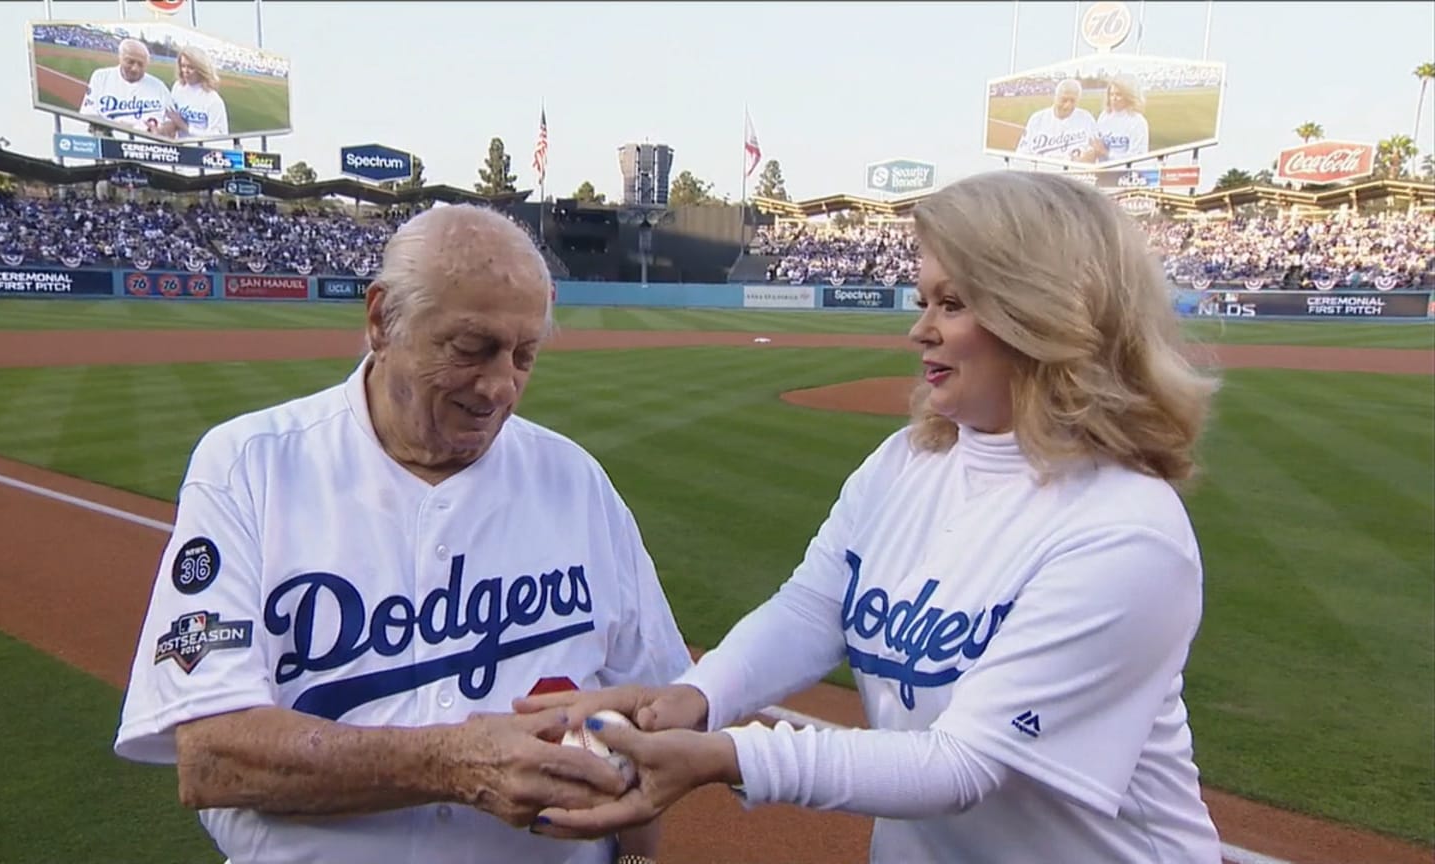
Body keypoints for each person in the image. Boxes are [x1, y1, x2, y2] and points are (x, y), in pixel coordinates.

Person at [519, 170, 1226, 864]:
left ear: (1042, 312)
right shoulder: (907, 460)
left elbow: (961, 766)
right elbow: (815, 606)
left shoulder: (1125, 531)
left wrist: (725, 754)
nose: (920, 330)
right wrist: (698, 697)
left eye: (952, 303)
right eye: (924, 300)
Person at [113, 204, 691, 864]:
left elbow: (656, 704)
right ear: (382, 320)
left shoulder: (575, 480)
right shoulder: (251, 464)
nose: (500, 386)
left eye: (524, 356)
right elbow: (212, 759)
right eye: (470, 349)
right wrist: (452, 764)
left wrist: (641, 860)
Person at [78, 38, 174, 136]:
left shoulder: (159, 87)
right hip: (108, 139)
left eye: (141, 64)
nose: (135, 69)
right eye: (130, 62)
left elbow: (172, 122)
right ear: (120, 58)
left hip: (145, 144)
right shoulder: (101, 77)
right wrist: (116, 127)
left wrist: (161, 131)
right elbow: (88, 114)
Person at [1013, 78, 1099, 163]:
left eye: (1072, 101)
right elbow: (1021, 155)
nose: (1067, 106)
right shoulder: (1037, 120)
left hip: (1074, 173)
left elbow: (1095, 151)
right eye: (1064, 100)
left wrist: (1090, 156)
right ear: (1055, 97)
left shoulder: (1086, 119)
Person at [158, 44, 230, 141]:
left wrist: (186, 127)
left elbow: (220, 137)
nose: (185, 71)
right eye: (183, 66)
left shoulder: (213, 100)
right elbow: (171, 115)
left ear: (201, 69)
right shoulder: (178, 87)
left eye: (191, 67)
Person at [1088, 73, 1152, 164]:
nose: (1114, 98)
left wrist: (1107, 153)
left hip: (1127, 173)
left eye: (1118, 95)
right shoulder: (1104, 117)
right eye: (1111, 94)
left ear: (1128, 96)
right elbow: (1097, 146)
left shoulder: (1137, 122)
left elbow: (1137, 158)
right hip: (1104, 172)